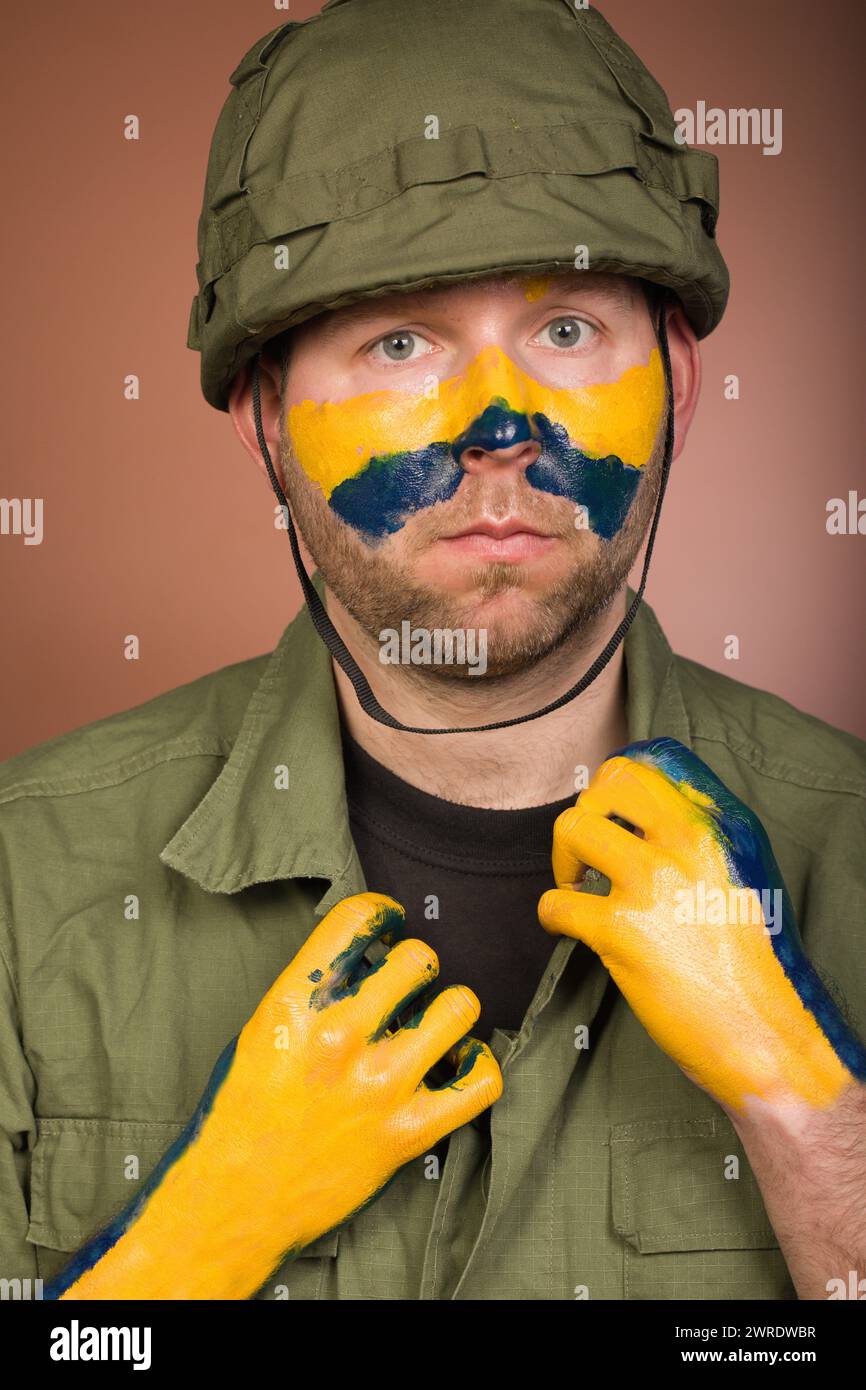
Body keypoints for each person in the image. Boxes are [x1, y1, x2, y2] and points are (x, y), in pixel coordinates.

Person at [2, 0, 864, 1303]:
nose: (497, 427)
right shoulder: (21, 885)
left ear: (678, 385)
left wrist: (798, 1101)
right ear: (269, 429)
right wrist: (206, 1230)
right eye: (400, 342)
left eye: (565, 329)